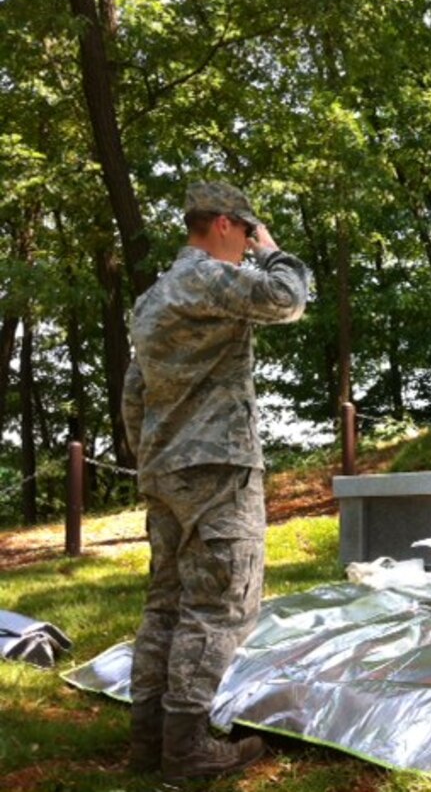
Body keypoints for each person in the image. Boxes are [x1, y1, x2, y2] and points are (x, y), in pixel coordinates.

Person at [121, 181, 310, 779]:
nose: (248, 242)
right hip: (218, 468)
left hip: (166, 469)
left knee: (167, 606)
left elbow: (134, 391)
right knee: (221, 604)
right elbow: (287, 298)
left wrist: (150, 456)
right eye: (246, 231)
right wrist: (273, 252)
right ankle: (187, 749)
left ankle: (149, 741)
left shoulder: (152, 298)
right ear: (225, 224)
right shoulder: (205, 277)